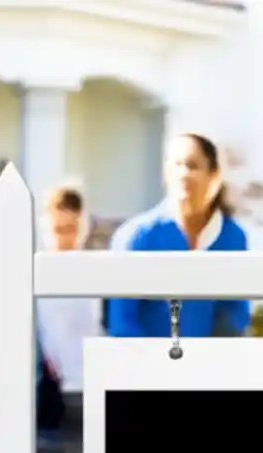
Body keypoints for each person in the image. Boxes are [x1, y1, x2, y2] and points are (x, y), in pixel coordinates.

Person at [106, 133, 250, 337]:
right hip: (147, 363)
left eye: (193, 165)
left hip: (208, 364)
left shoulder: (232, 237)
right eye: (176, 165)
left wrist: (209, 361)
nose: (183, 173)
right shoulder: (136, 236)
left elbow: (234, 314)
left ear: (214, 175)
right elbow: (122, 322)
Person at [35, 185, 100, 451]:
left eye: (71, 229)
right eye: (58, 230)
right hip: (49, 377)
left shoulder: (95, 271)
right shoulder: (35, 271)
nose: (65, 238)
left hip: (91, 375)